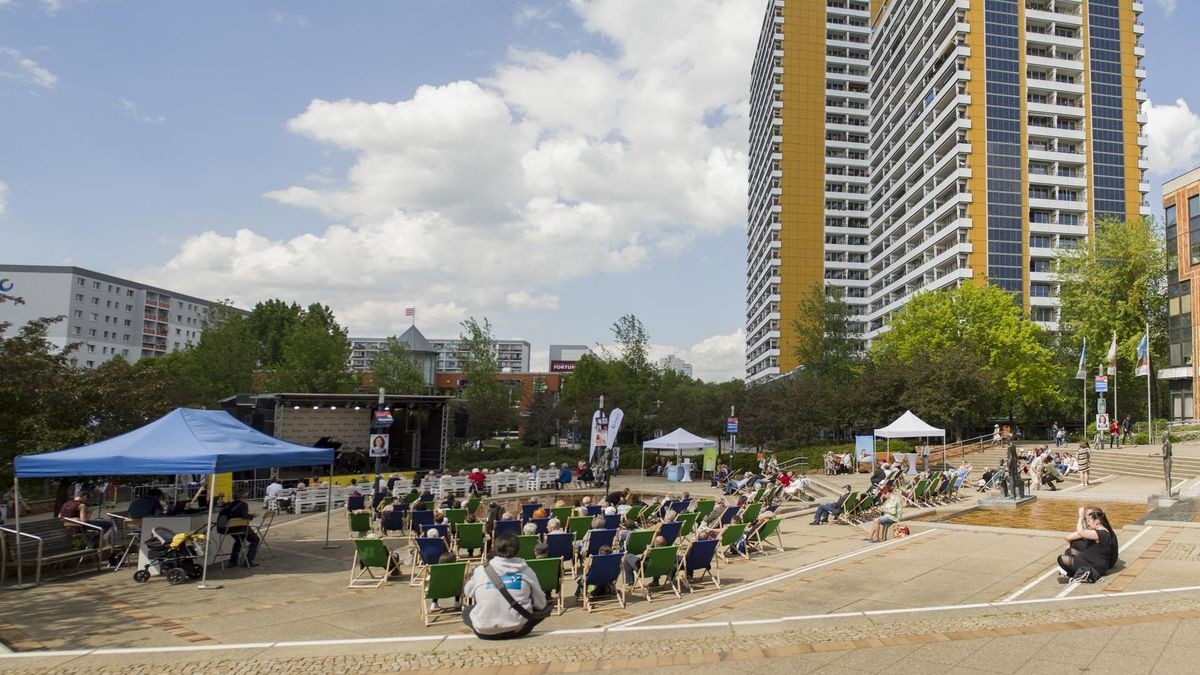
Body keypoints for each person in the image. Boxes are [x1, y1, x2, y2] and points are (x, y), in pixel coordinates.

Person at [462, 531, 549, 639]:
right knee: (545, 606)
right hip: (518, 629)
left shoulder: (481, 571)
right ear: (517, 550)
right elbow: (540, 604)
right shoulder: (526, 571)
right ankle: (514, 623)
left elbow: (468, 592)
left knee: (467, 611)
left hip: (484, 631)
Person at [1057, 507, 1118, 584]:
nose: (1088, 523)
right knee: (1069, 551)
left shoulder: (1102, 534)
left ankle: (1078, 574)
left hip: (1095, 566)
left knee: (1061, 559)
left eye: (1089, 521)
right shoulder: (1099, 531)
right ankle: (1075, 573)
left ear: (1096, 522)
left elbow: (1081, 531)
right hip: (1089, 559)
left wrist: (1081, 517)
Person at [217, 490, 260, 568]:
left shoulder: (229, 504)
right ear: (243, 497)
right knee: (255, 539)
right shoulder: (243, 504)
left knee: (239, 540)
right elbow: (245, 516)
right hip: (238, 528)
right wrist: (252, 516)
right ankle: (248, 561)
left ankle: (233, 561)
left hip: (226, 528)